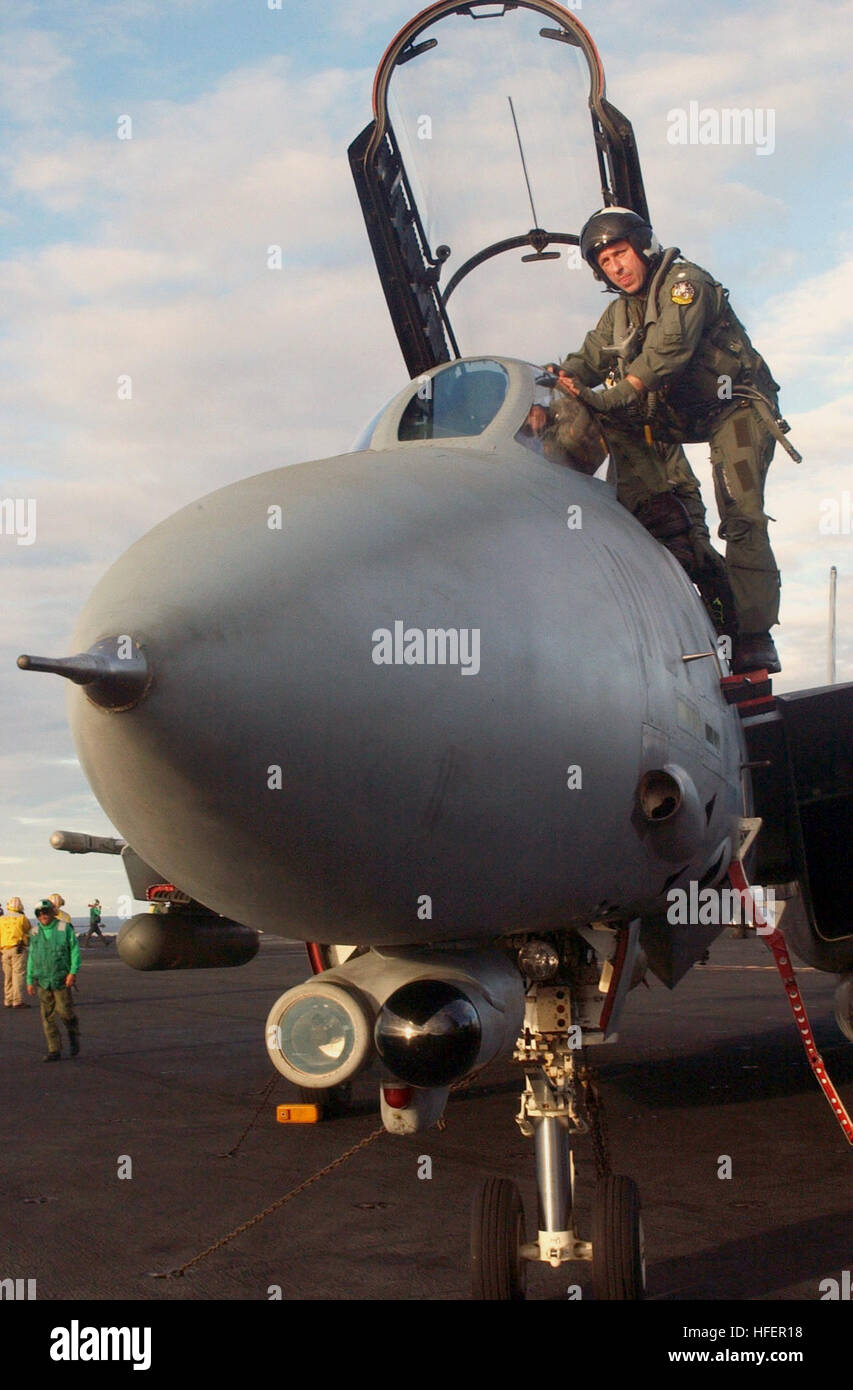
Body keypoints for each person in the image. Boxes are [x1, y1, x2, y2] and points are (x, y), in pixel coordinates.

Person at [552, 207, 796, 674]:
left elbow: (668, 351)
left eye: (620, 253)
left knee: (741, 515)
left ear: (642, 247)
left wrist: (612, 395)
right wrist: (557, 381)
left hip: (735, 406)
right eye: (605, 262)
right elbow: (586, 360)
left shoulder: (685, 284)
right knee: (605, 415)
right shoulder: (618, 314)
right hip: (682, 414)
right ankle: (667, 514)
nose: (616, 267)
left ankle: (753, 635)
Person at [26, 899, 81, 1061]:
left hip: (61, 979)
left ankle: (73, 1034)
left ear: (52, 912)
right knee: (47, 1016)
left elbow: (75, 950)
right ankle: (54, 1049)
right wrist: (29, 979)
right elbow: (32, 956)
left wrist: (73, 972)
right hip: (43, 980)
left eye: (45, 912)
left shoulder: (64, 929)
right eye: (39, 913)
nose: (43, 916)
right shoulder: (34, 932)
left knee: (65, 1012)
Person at [1, 896, 32, 1008]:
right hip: (18, 949)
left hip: (4, 950)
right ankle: (17, 1000)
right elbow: (29, 930)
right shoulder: (22, 918)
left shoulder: (1, 919)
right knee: (18, 975)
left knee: (8, 976)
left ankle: (8, 999)